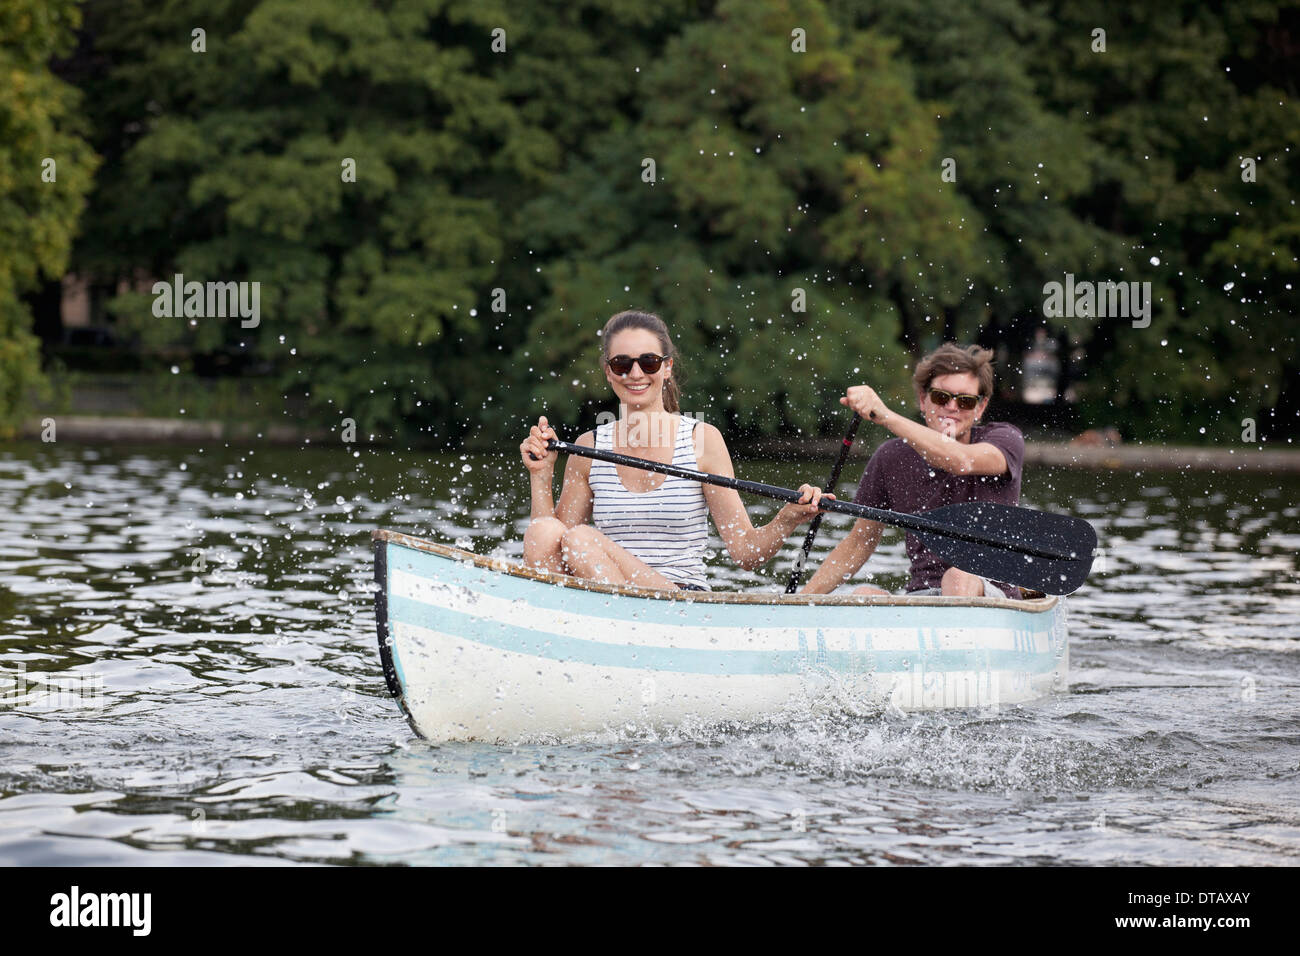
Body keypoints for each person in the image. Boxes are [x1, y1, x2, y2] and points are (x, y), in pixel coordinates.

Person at [519, 310, 828, 590]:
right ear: (609, 372)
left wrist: (786, 519)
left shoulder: (702, 440)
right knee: (543, 532)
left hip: (682, 603)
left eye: (649, 362)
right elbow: (552, 552)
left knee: (582, 539)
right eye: (622, 364)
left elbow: (745, 553)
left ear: (667, 368)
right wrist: (541, 475)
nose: (636, 374)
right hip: (609, 594)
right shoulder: (588, 448)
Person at [802, 343, 1024, 599]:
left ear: (980, 408)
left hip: (994, 597)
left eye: (965, 401)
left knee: (957, 577)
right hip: (923, 596)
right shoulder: (891, 457)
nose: (952, 407)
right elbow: (858, 544)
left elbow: (960, 461)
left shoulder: (1005, 439)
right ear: (922, 399)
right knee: (864, 594)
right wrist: (800, 602)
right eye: (941, 397)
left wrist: (884, 415)